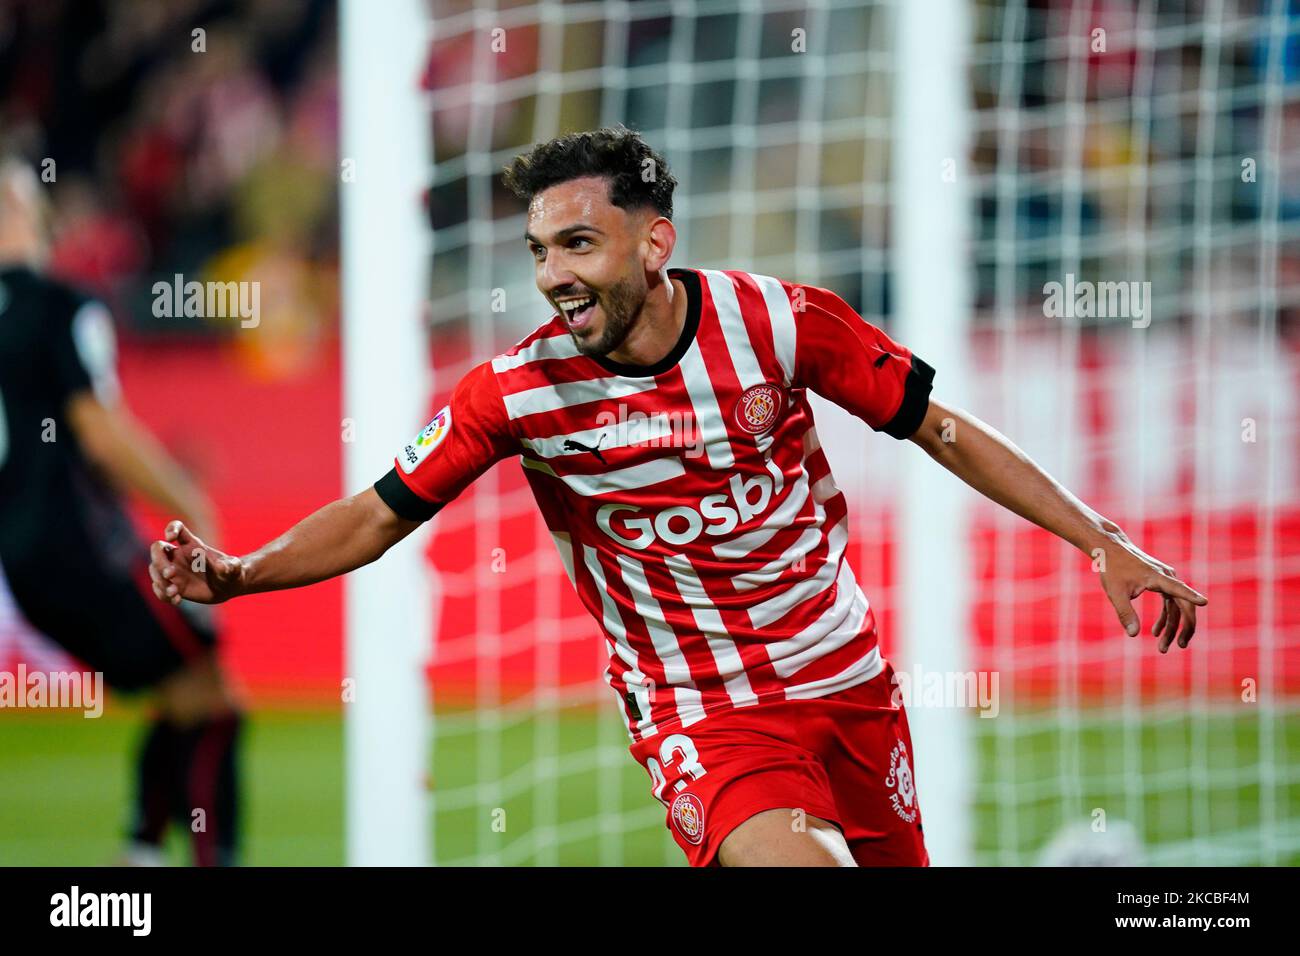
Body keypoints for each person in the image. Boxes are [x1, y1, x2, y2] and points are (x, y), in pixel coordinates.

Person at [148, 127, 1205, 867]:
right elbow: (380, 509)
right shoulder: (514, 390)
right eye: (538, 252)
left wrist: (1098, 536)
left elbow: (943, 429)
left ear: (653, 243)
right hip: (703, 710)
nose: (553, 274)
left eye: (577, 243)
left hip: (847, 682)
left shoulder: (784, 323)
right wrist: (239, 575)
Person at [0, 158, 242, 866]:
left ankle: (142, 852)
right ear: (35, 220)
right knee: (212, 694)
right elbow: (99, 435)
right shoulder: (62, 306)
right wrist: (186, 498)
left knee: (182, 693)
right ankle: (201, 858)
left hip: (24, 565)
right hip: (85, 551)